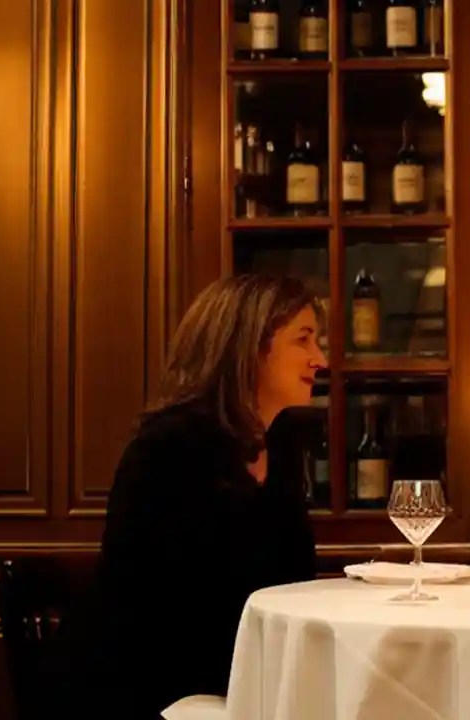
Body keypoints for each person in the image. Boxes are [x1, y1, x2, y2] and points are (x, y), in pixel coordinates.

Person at [68, 275, 329, 718]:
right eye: (303, 340)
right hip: (154, 690)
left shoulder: (280, 444)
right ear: (246, 346)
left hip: (243, 678)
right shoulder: (168, 446)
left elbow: (293, 577)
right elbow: (157, 609)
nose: (319, 359)